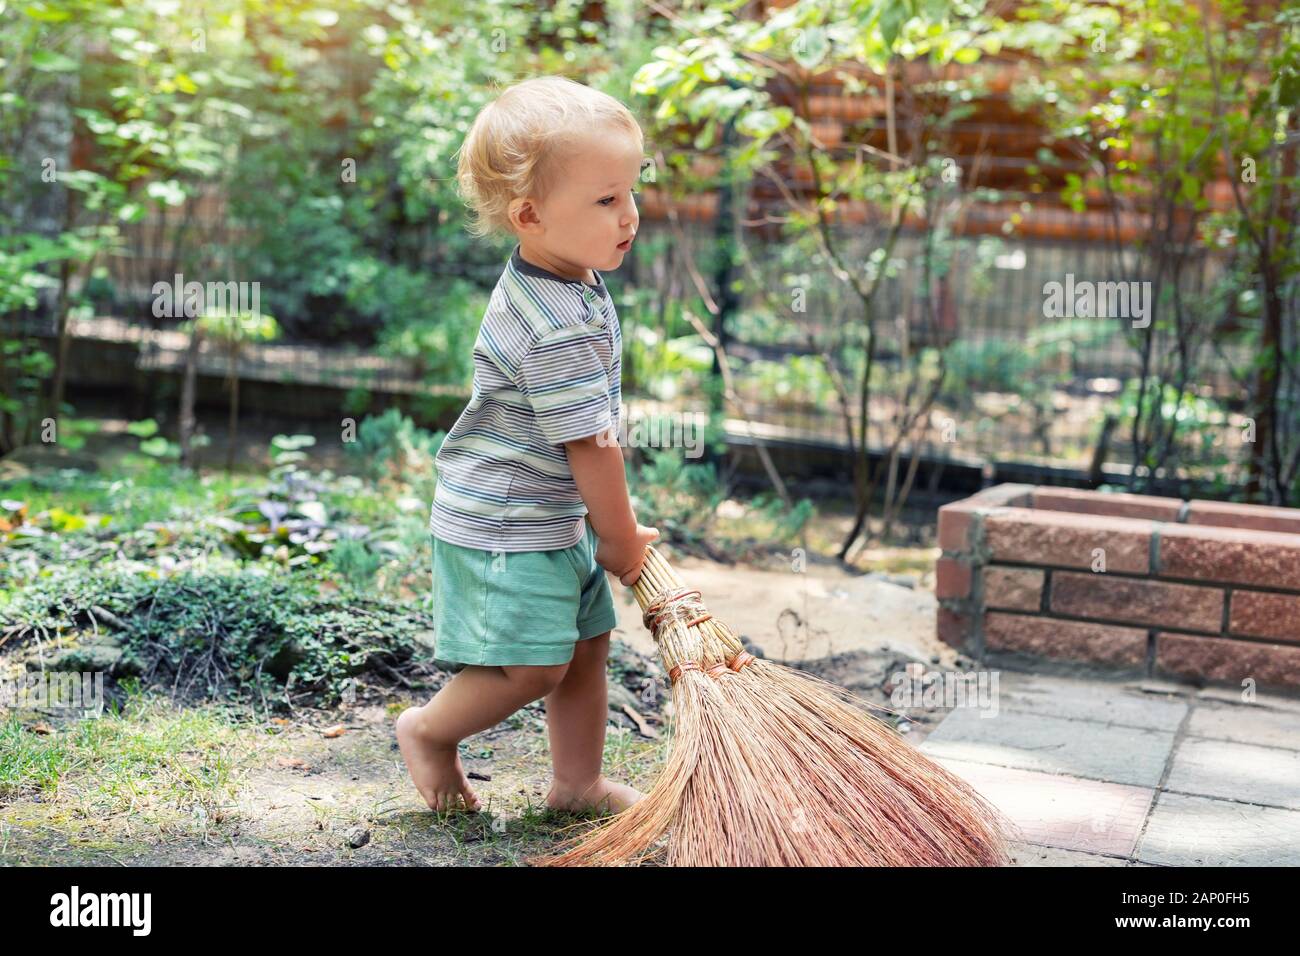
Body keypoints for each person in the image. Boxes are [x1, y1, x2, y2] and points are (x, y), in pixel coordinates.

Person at [396, 76, 658, 818]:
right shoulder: (555, 321)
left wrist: (599, 530)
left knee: (586, 648)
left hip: (547, 516)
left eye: (631, 191)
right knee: (535, 665)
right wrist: (621, 539)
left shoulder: (567, 276)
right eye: (605, 201)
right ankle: (427, 730)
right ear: (530, 214)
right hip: (505, 525)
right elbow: (593, 447)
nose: (629, 215)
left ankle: (576, 785)